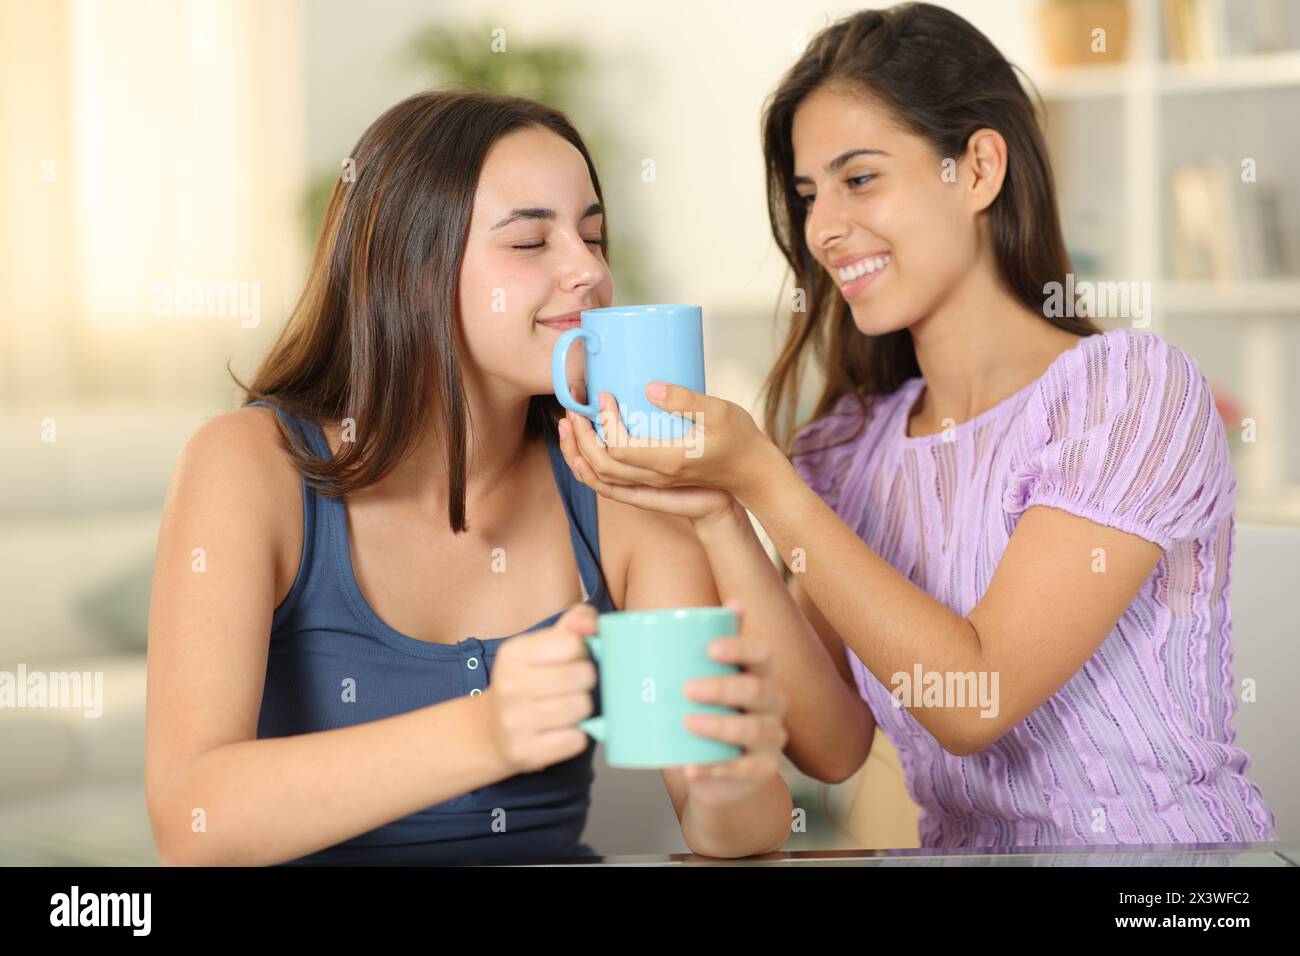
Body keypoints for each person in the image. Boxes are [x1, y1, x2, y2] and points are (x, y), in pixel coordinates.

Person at [559, 4, 1276, 846]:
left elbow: (980, 698)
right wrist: (723, 511)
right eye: (807, 193)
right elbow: (829, 743)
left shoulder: (1131, 393)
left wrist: (763, 479)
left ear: (977, 169)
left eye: (859, 178)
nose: (824, 227)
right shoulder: (852, 446)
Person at [144, 89, 797, 866]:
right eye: (530, 244)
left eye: (594, 235)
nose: (588, 271)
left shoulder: (611, 484)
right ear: (410, 269)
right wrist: (481, 733)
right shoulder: (247, 467)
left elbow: (738, 828)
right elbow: (191, 821)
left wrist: (729, 783)